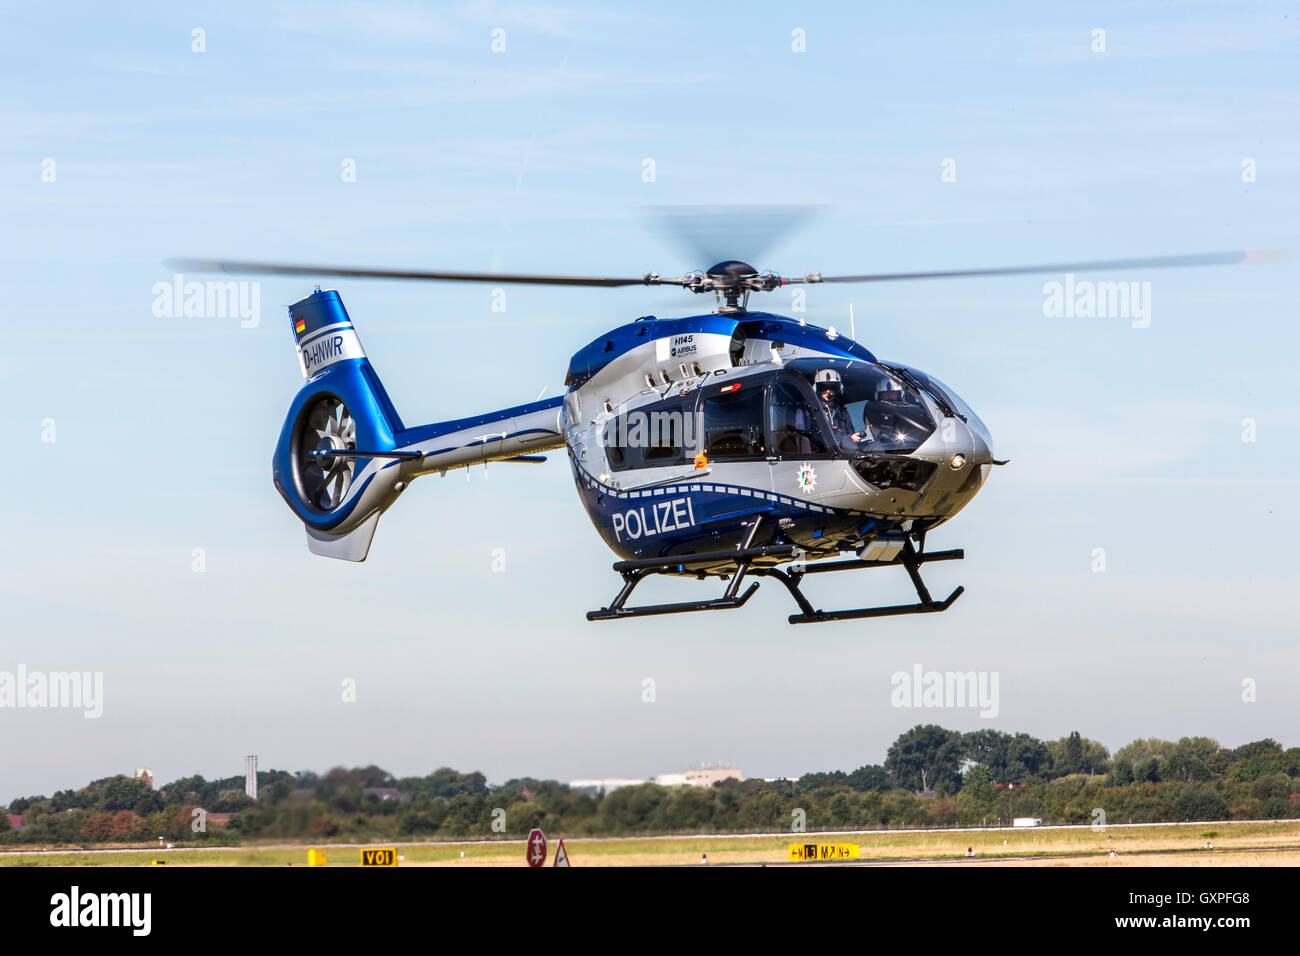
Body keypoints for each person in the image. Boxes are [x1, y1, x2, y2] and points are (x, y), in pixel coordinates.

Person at [814, 369, 870, 451]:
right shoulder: (812, 411)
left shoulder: (843, 413)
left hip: (844, 452)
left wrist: (855, 437)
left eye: (832, 387)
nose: (828, 392)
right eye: (823, 388)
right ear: (817, 389)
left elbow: (850, 434)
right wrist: (847, 440)